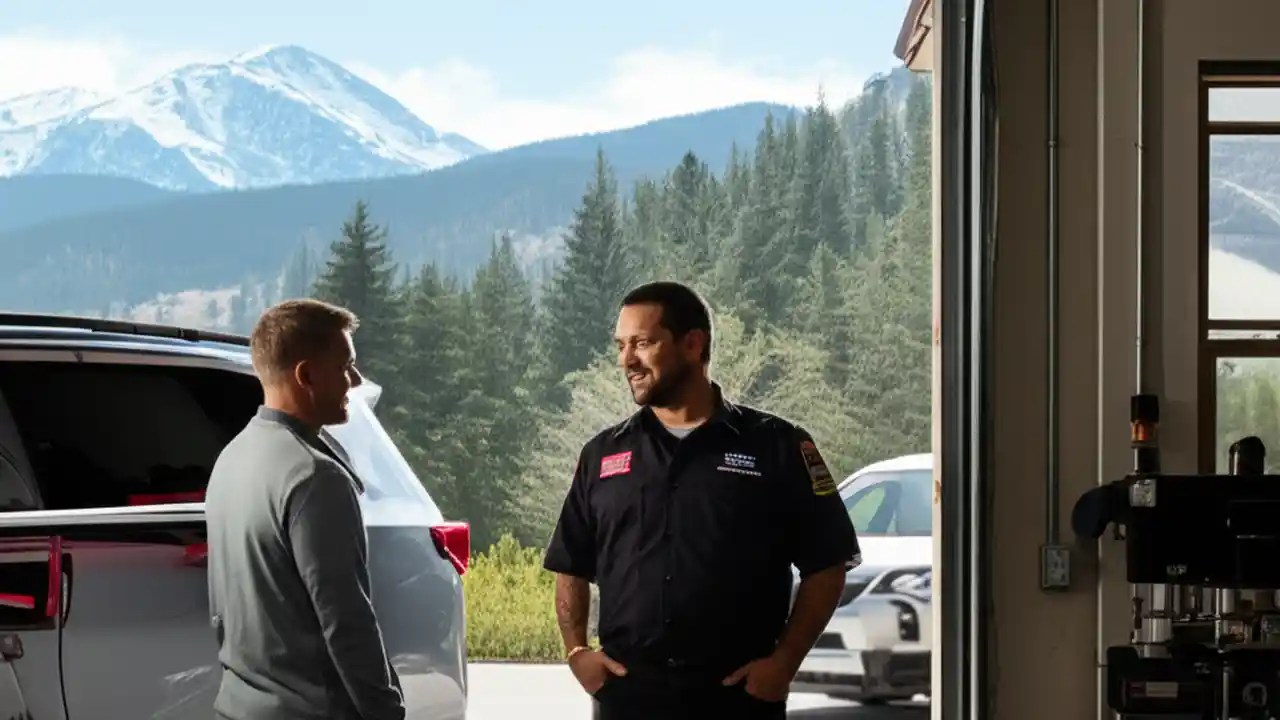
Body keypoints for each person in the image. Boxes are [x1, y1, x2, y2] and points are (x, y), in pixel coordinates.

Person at [543, 281, 862, 720]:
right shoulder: (601, 455)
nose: (626, 359)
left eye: (643, 342)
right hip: (628, 700)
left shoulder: (778, 447)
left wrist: (784, 664)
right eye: (621, 345)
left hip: (737, 701)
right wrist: (577, 651)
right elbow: (570, 564)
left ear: (693, 344)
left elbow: (827, 565)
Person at [205, 298, 405, 720]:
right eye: (344, 366)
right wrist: (387, 711)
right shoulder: (315, 478)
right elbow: (346, 623)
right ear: (306, 375)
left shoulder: (231, 457)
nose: (355, 379)